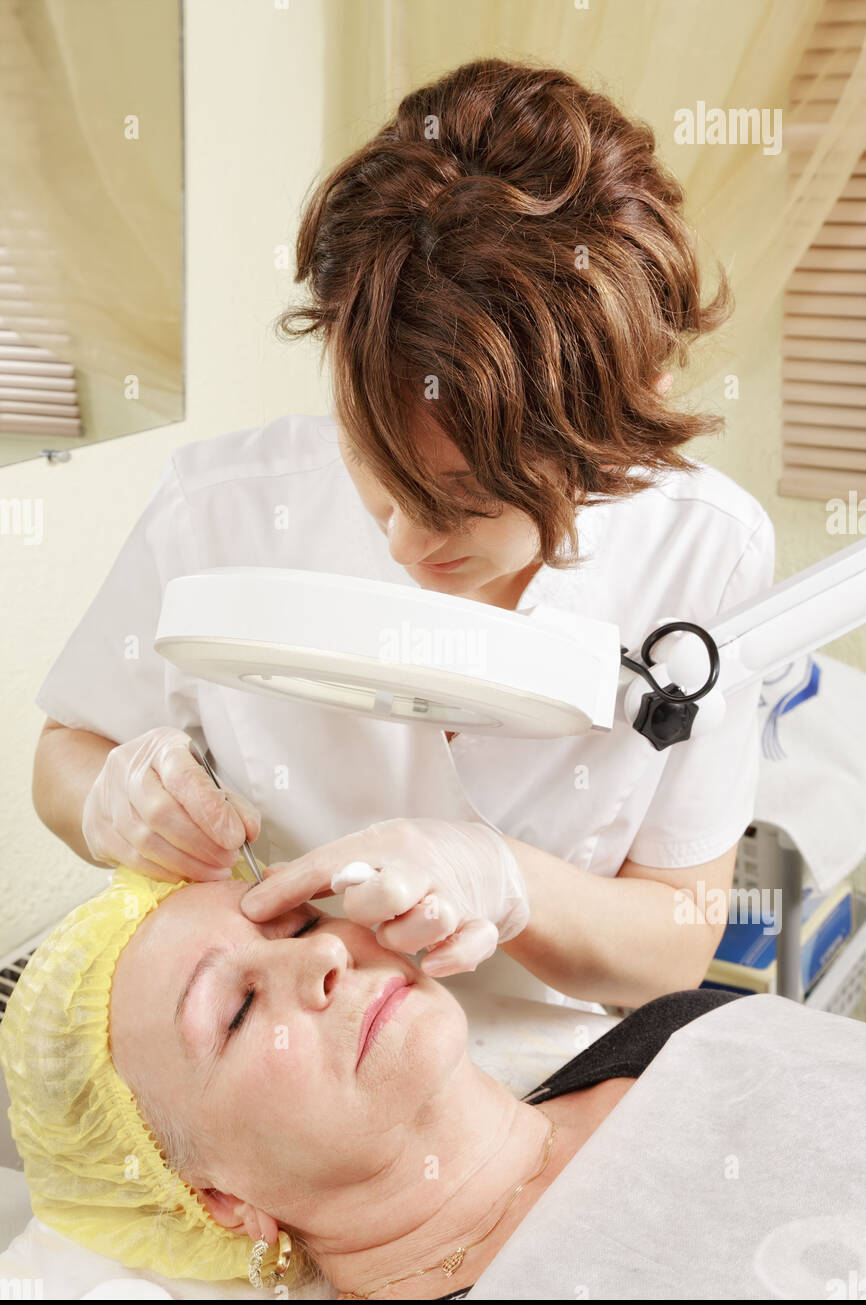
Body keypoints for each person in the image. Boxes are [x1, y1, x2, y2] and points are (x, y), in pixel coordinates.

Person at [31, 57, 774, 1009]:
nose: (405, 547)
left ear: (617, 428)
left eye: (468, 500)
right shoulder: (222, 507)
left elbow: (671, 942)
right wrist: (112, 804)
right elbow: (68, 748)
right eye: (376, 479)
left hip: (545, 1069)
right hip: (291, 1041)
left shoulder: (702, 551)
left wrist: (503, 882)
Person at [0, 865, 744, 1300]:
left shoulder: (683, 1029)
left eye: (296, 926)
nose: (324, 953)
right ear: (221, 1200)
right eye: (237, 1010)